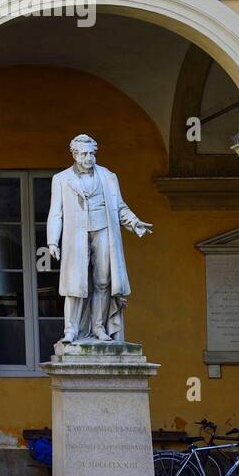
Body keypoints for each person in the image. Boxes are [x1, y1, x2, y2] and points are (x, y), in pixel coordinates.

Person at [46, 134, 152, 343]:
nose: (89, 158)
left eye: (92, 153)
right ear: (75, 155)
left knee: (103, 281)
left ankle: (99, 327)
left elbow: (119, 206)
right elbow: (55, 213)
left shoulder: (108, 176)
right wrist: (52, 241)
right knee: (75, 283)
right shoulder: (61, 179)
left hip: (104, 229)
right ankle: (71, 330)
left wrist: (134, 222)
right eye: (84, 154)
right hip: (76, 234)